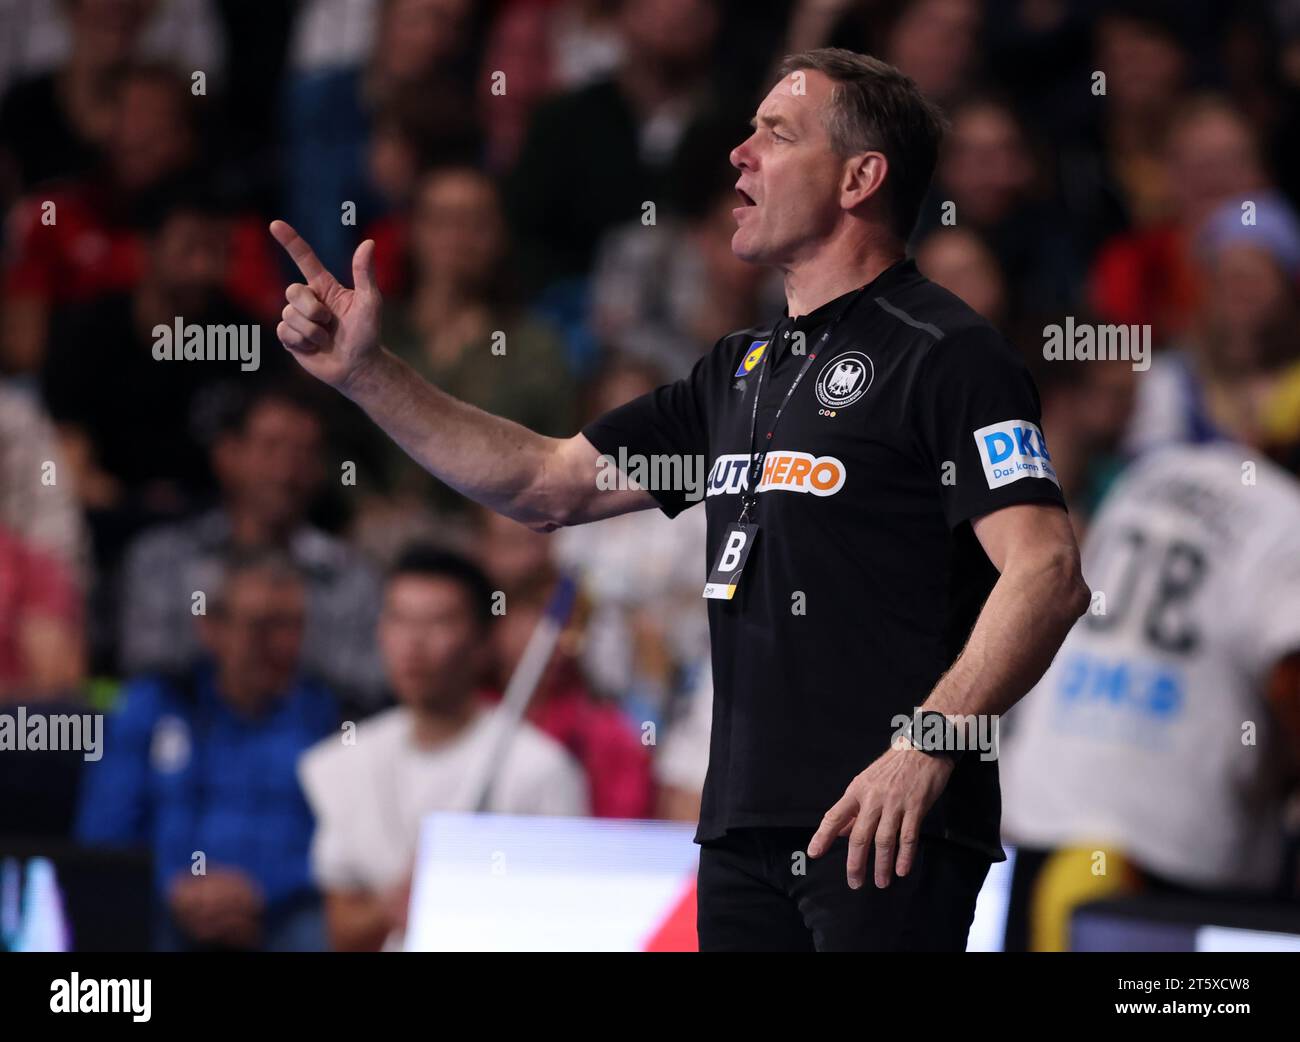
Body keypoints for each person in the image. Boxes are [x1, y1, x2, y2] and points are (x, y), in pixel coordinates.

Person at [270, 47, 1088, 952]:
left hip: (885, 828)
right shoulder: (737, 373)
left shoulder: (944, 352)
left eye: (776, 134)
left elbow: (1047, 570)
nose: (739, 154)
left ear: (861, 178)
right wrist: (368, 377)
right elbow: (546, 483)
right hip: (741, 829)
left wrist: (929, 744)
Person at [1000, 441, 1300, 950]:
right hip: (1177, 838)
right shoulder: (1284, 511)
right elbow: (1291, 672)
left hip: (1048, 802)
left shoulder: (1155, 470)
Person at [297, 546, 588, 952]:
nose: (413, 644)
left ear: (483, 641)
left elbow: (565, 926)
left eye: (438, 622)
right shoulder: (344, 762)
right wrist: (393, 906)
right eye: (400, 619)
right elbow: (342, 932)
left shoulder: (541, 770)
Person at [76, 549, 338, 951]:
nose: (281, 645)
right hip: (165, 906)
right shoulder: (153, 704)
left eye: (293, 626)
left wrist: (259, 891)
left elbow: (347, 846)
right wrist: (177, 887)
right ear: (211, 628)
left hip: (283, 910)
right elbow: (104, 832)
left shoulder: (329, 717)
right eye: (262, 626)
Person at [118, 383, 385, 711]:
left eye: (303, 453)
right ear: (227, 456)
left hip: (314, 744)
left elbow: (370, 686)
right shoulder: (161, 559)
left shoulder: (352, 576)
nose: (286, 472)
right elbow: (146, 665)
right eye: (271, 449)